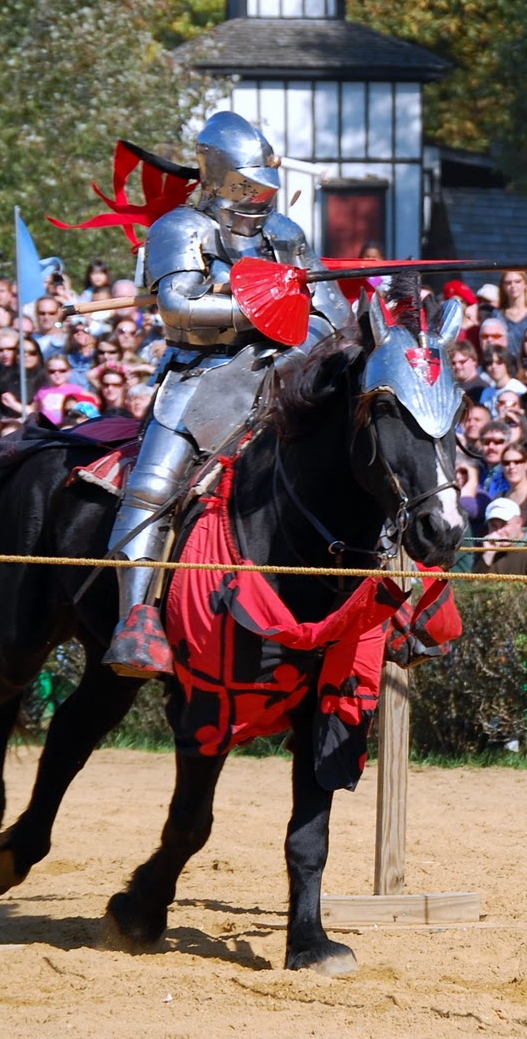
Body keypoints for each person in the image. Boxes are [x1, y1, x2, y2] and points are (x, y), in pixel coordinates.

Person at [103, 111, 352, 677]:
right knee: (150, 488)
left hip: (282, 370)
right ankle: (135, 621)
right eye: (246, 184)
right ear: (216, 177)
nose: (257, 196)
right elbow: (181, 309)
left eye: (263, 184)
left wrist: (298, 335)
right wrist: (266, 313)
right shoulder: (181, 228)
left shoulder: (284, 233)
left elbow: (331, 312)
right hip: (200, 377)